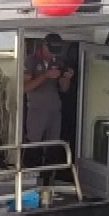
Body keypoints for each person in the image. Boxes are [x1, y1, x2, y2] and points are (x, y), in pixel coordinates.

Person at [22, 34, 73, 173]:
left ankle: (49, 180)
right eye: (51, 51)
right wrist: (46, 75)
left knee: (53, 147)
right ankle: (31, 178)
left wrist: (66, 78)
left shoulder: (58, 61)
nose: (53, 55)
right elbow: (25, 87)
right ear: (44, 47)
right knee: (34, 145)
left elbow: (64, 88)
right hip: (36, 110)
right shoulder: (31, 61)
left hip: (54, 110)